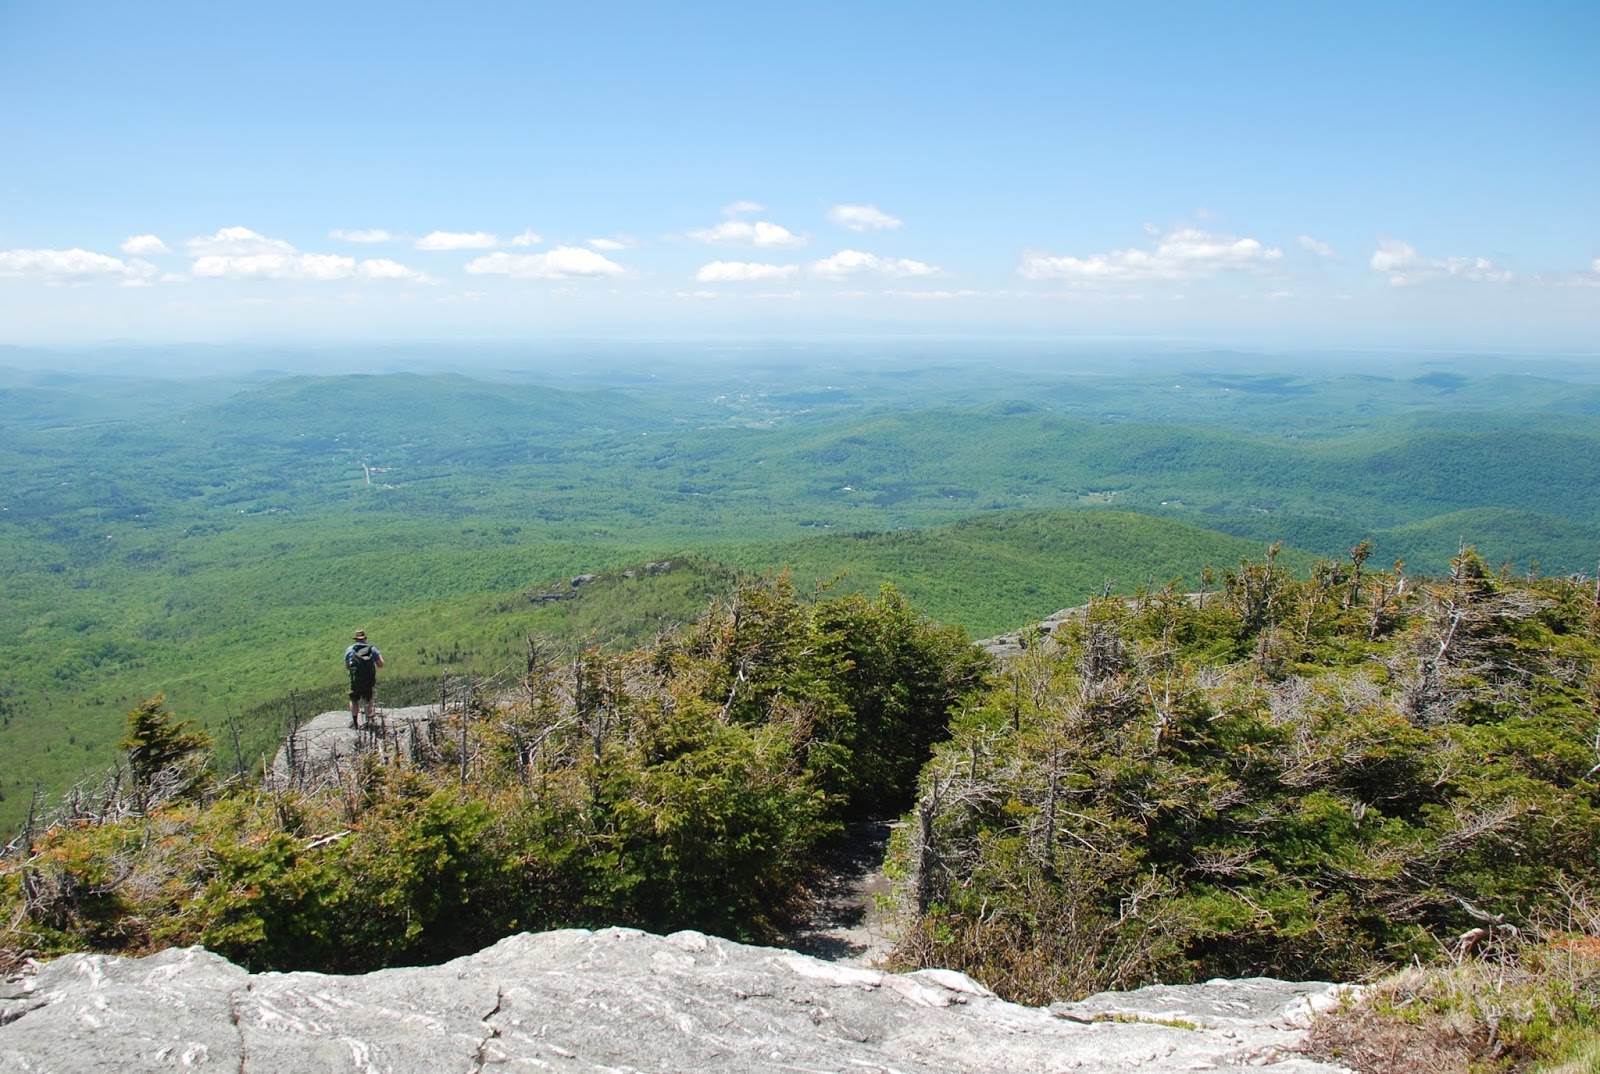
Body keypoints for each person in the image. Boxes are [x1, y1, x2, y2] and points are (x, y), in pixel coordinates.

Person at [345, 630, 385, 728]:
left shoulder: (350, 649)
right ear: (365, 638)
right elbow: (381, 664)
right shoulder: (372, 649)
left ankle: (355, 722)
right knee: (368, 699)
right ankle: (368, 722)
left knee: (354, 699)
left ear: (355, 639)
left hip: (356, 680)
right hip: (368, 679)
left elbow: (347, 666)